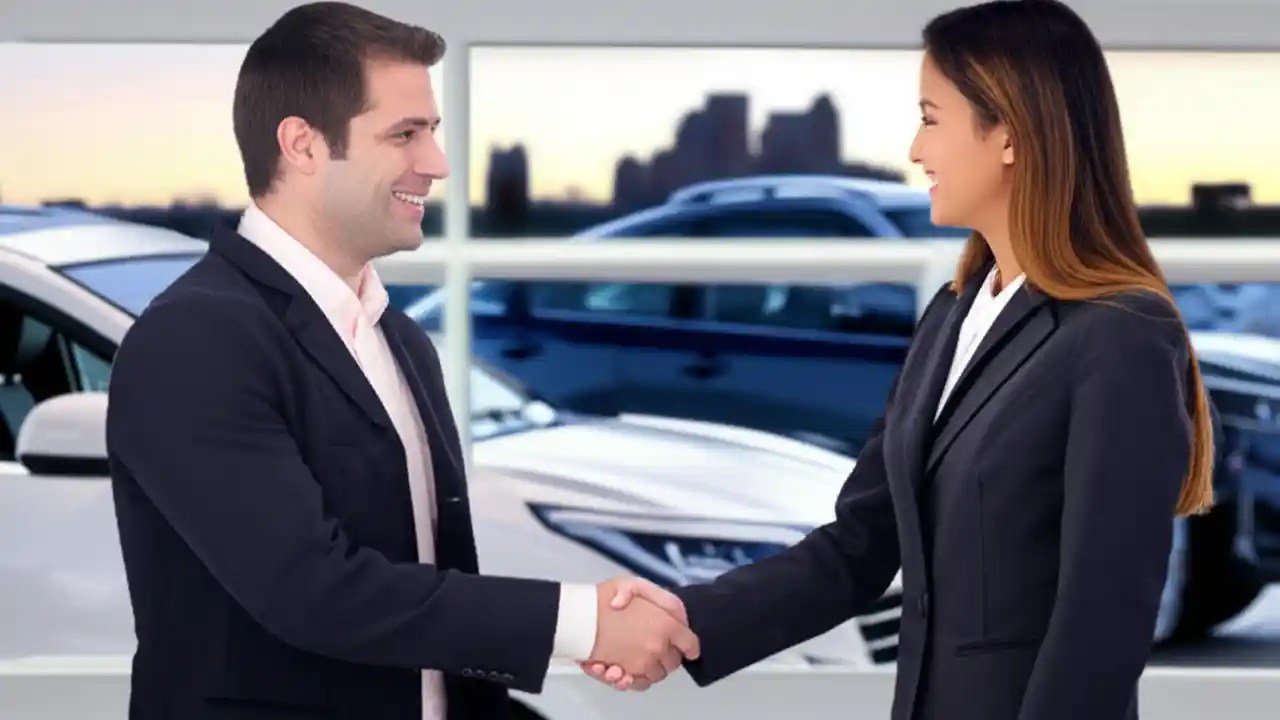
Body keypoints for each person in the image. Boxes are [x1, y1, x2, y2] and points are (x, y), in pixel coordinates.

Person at [584, 1, 1217, 718]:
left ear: (1010, 134)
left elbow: (1100, 624)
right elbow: (860, 546)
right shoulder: (953, 315)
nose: (916, 150)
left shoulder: (1121, 334)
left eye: (931, 118)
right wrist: (688, 621)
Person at [105, 3, 696, 719]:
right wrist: (581, 624)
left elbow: (428, 594)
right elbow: (312, 590)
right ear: (303, 145)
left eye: (433, 132)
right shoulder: (196, 339)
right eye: (405, 134)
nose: (437, 163)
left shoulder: (400, 338)